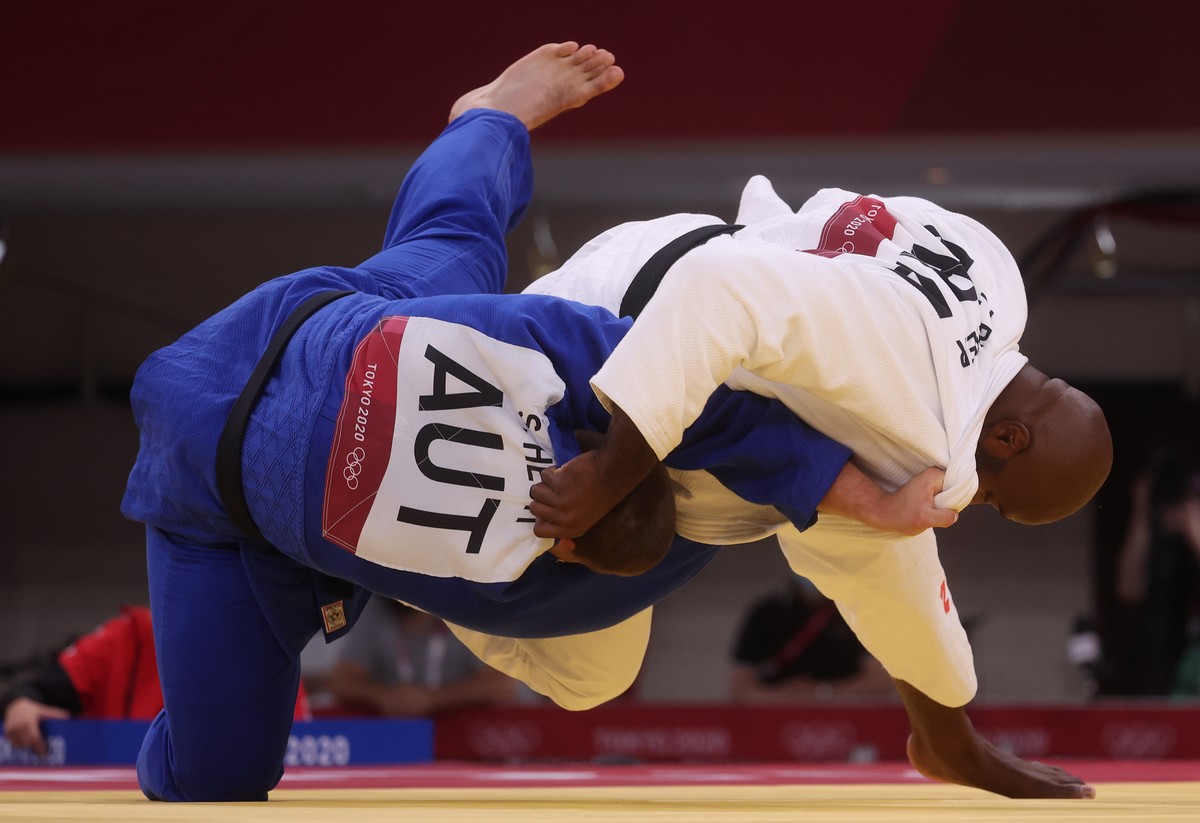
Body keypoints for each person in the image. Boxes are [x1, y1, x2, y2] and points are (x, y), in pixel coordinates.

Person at [120, 42, 947, 803]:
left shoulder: (538, 587)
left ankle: (488, 122)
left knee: (220, 775)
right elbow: (689, 395)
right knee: (454, 236)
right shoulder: (531, 370)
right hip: (305, 357)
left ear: (565, 548)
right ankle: (492, 115)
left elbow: (713, 433)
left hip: (239, 509)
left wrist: (848, 498)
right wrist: (855, 497)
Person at [524, 175, 1113, 798]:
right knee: (588, 674)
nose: (976, 502)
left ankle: (945, 738)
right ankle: (418, 574)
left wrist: (948, 721)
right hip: (588, 332)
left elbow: (835, 224)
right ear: (1007, 440)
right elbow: (716, 290)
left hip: (663, 264)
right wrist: (613, 477)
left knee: (882, 515)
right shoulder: (918, 396)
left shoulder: (994, 279)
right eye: (997, 497)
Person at [0, 606, 309, 757]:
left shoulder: (269, 653)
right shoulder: (128, 636)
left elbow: (298, 761)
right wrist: (20, 704)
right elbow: (36, 692)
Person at [313, 598, 520, 715]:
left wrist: (433, 699)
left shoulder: (462, 611)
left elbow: (502, 684)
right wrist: (382, 696)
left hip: (463, 731)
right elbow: (340, 681)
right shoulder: (375, 609)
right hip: (394, 735)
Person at [1114, 452, 1200, 695]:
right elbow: (1128, 589)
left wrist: (1194, 535)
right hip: (1173, 670)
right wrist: (1142, 511)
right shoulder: (1165, 541)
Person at [729, 578, 893, 703]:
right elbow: (740, 686)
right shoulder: (765, 614)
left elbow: (879, 683)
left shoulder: (855, 612)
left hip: (845, 722)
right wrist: (787, 697)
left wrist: (821, 692)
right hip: (774, 722)